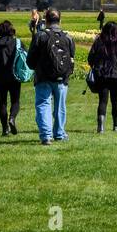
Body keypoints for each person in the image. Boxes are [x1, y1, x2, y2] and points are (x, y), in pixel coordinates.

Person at [26, 8, 74, 145]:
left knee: (43, 104)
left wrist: (37, 67)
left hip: (43, 77)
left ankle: (46, 136)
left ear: (45, 20)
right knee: (60, 106)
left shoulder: (40, 36)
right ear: (60, 20)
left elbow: (30, 60)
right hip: (62, 78)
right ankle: (59, 133)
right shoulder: (68, 37)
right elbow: (72, 57)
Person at [88, 21, 117, 133]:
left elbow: (90, 59)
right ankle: (116, 126)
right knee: (115, 101)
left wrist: (97, 65)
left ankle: (101, 127)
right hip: (116, 76)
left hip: (102, 76)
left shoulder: (98, 43)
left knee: (102, 101)